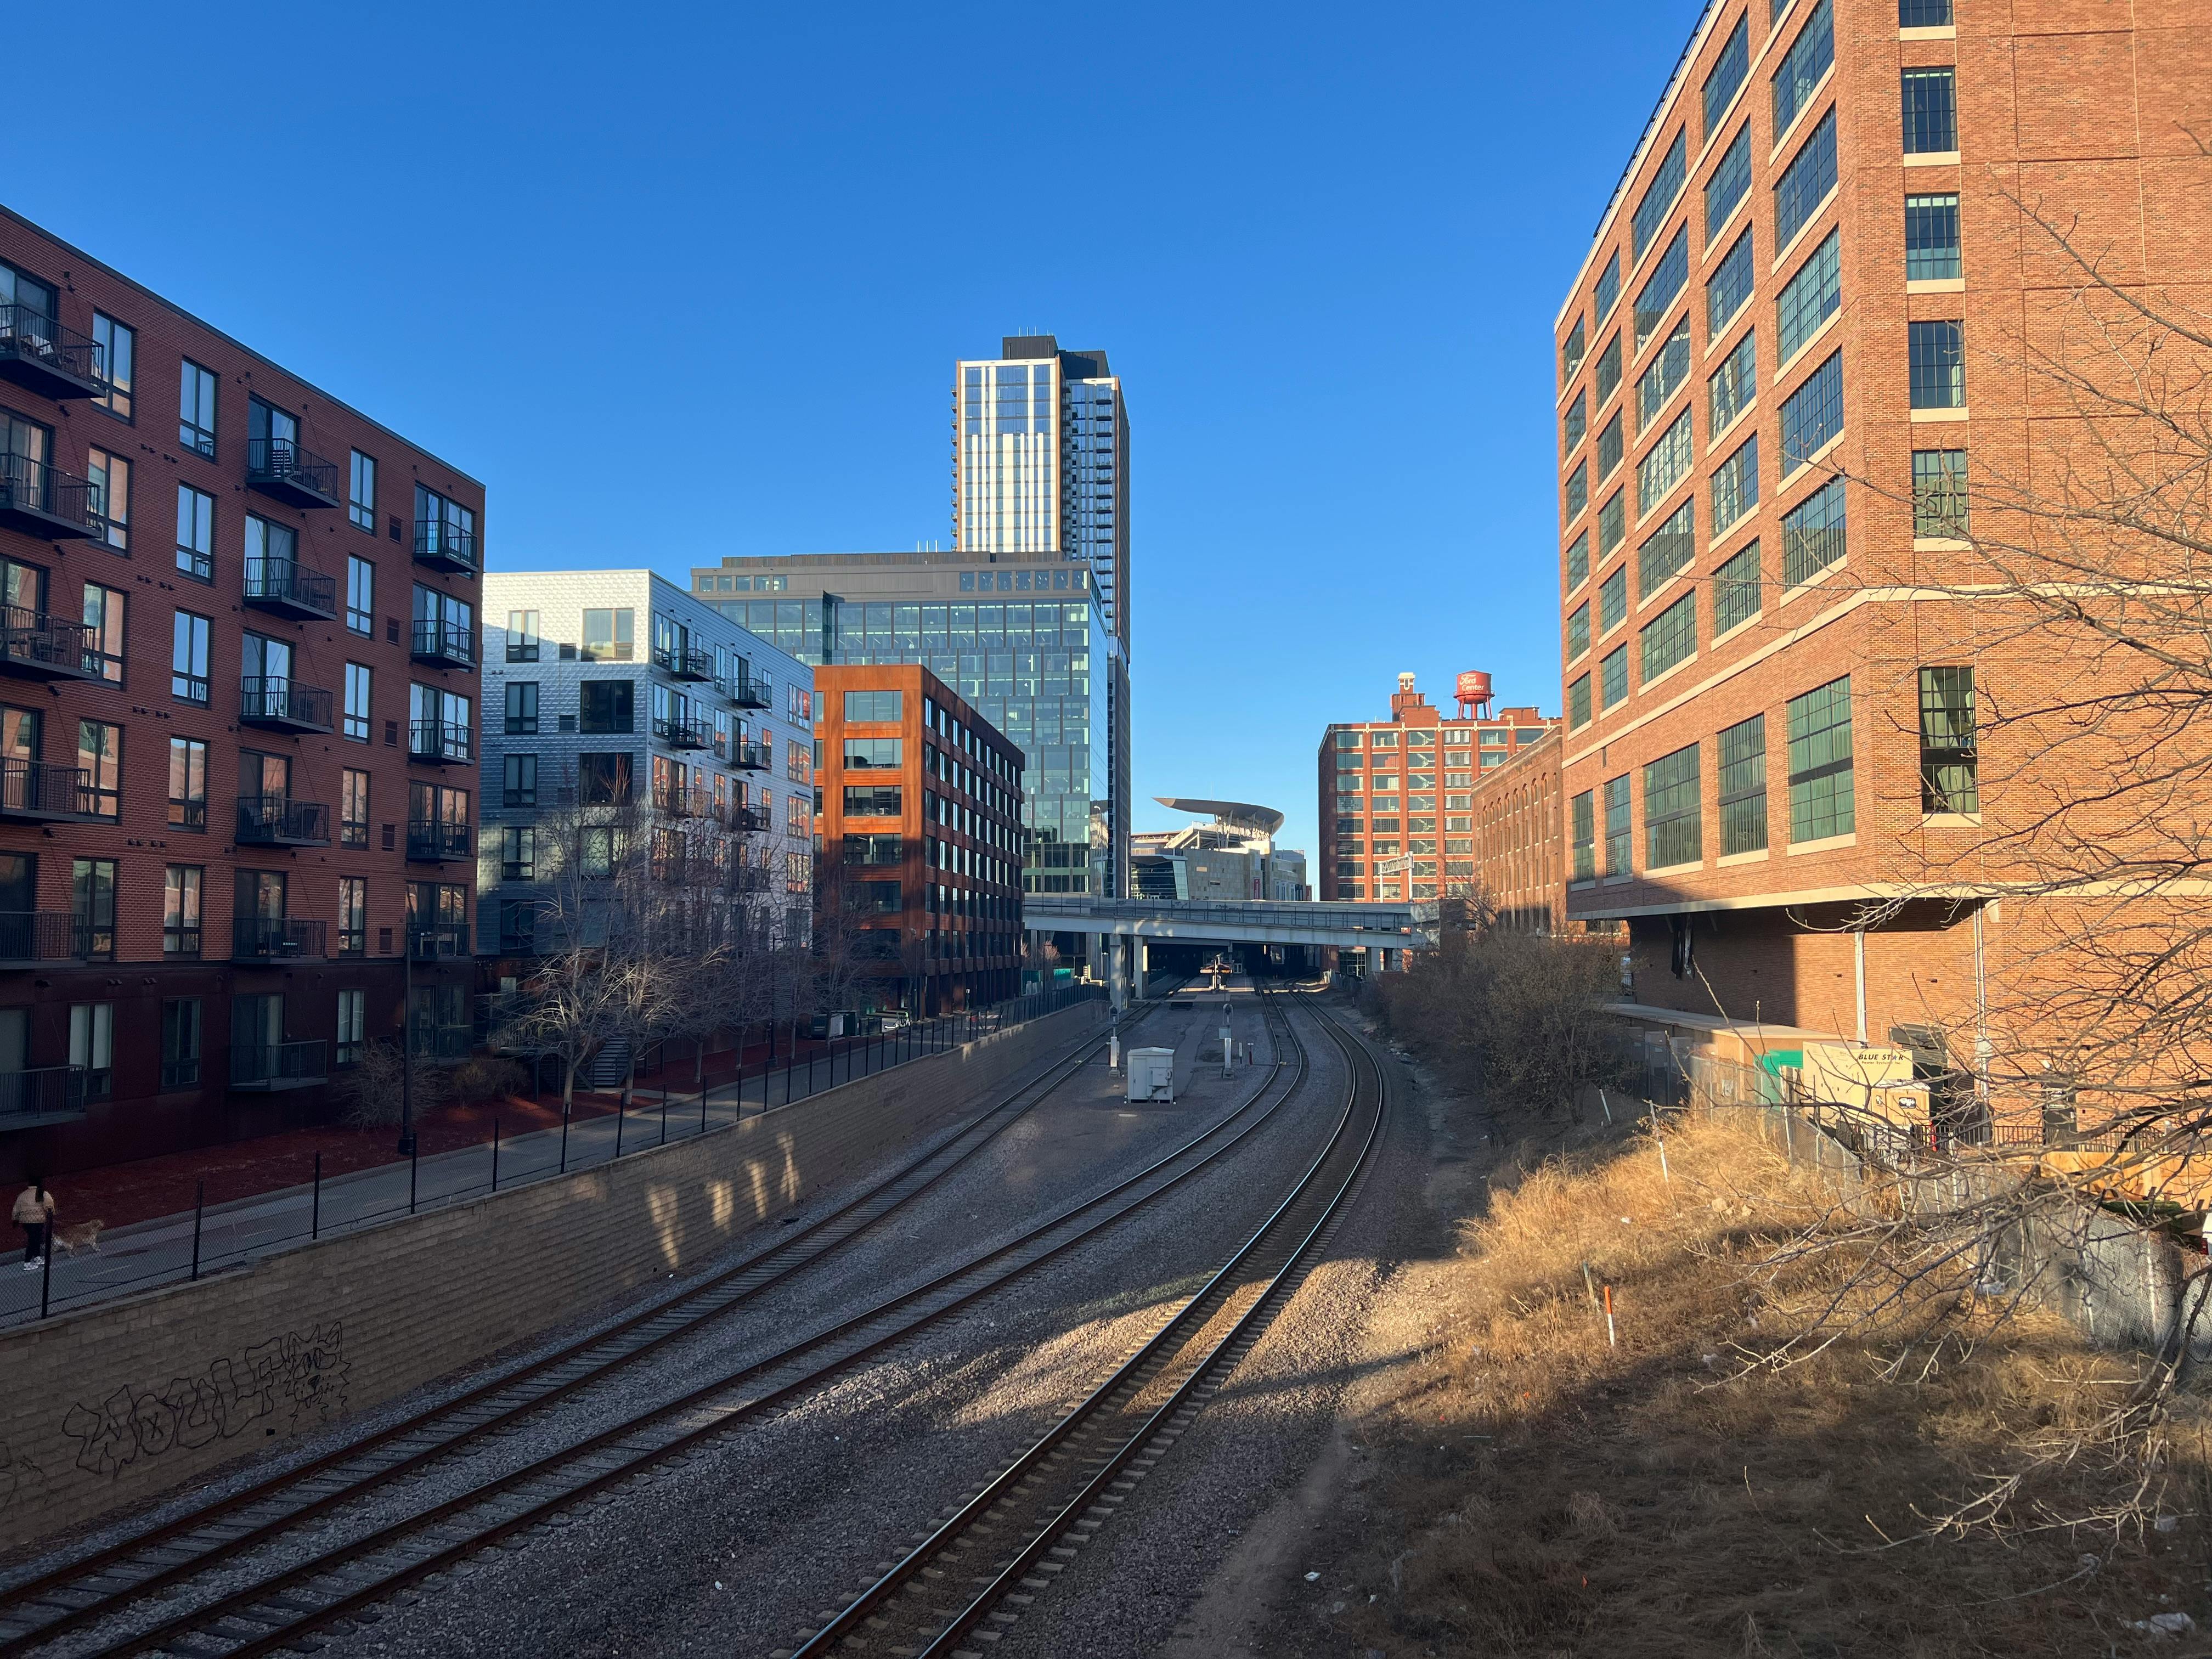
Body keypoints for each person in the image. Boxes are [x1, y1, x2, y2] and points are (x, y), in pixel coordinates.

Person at [13, 1178, 53, 1272]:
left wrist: (15, 1219)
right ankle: (27, 1262)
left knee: (34, 1239)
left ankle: (37, 1257)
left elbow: (16, 1208)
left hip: (26, 1222)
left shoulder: (23, 1195)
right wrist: (50, 1215)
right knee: (35, 1240)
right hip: (38, 1220)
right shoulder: (41, 1193)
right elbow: (49, 1205)